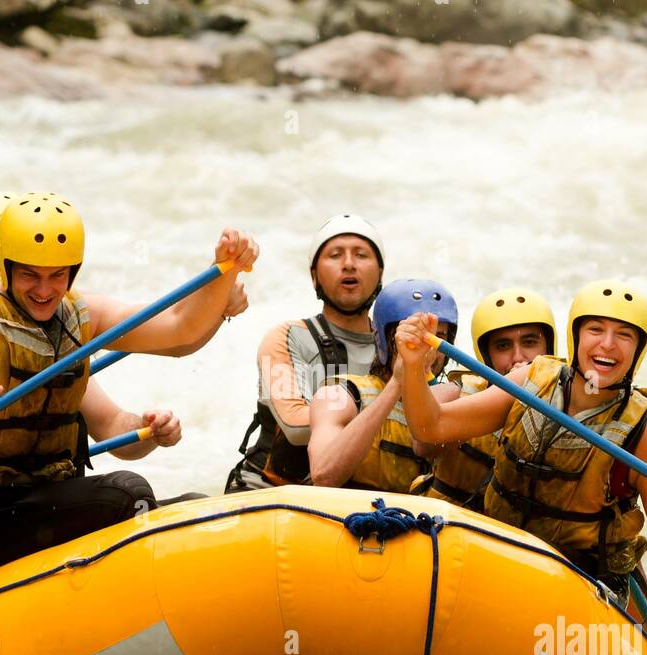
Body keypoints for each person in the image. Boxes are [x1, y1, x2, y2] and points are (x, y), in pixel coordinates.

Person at [0, 192, 257, 580]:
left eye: (57, 276)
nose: (44, 290)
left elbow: (178, 330)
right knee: (126, 493)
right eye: (29, 274)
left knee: (198, 509)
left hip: (47, 506)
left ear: (73, 271)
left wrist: (224, 274)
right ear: (5, 264)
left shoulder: (77, 318)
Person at [396, 280, 647, 655]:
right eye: (596, 330)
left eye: (624, 335)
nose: (607, 345)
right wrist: (414, 366)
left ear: (638, 349)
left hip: (578, 580)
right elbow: (430, 426)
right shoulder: (531, 382)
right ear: (575, 335)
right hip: (501, 554)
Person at [225, 214, 386, 491]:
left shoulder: (396, 347)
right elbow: (295, 428)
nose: (348, 264)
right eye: (335, 255)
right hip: (269, 492)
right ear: (314, 276)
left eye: (361, 255)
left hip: (353, 501)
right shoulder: (285, 338)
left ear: (380, 274)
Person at [306, 279, 461, 491]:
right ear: (384, 340)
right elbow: (324, 476)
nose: (427, 350)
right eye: (413, 337)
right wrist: (399, 382)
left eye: (438, 338)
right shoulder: (338, 396)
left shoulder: (458, 402)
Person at [411, 287, 556, 511]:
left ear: (548, 348)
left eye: (529, 343)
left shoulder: (571, 398)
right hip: (451, 528)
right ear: (486, 356)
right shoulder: (460, 391)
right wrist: (415, 368)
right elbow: (423, 444)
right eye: (503, 346)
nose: (518, 357)